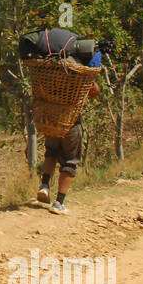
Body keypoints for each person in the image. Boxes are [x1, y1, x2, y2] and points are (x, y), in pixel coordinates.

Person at [32, 30, 102, 216]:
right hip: (71, 120)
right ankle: (59, 202)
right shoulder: (78, 74)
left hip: (52, 116)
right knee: (70, 161)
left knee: (51, 152)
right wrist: (93, 81)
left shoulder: (51, 69)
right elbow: (94, 92)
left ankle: (45, 185)